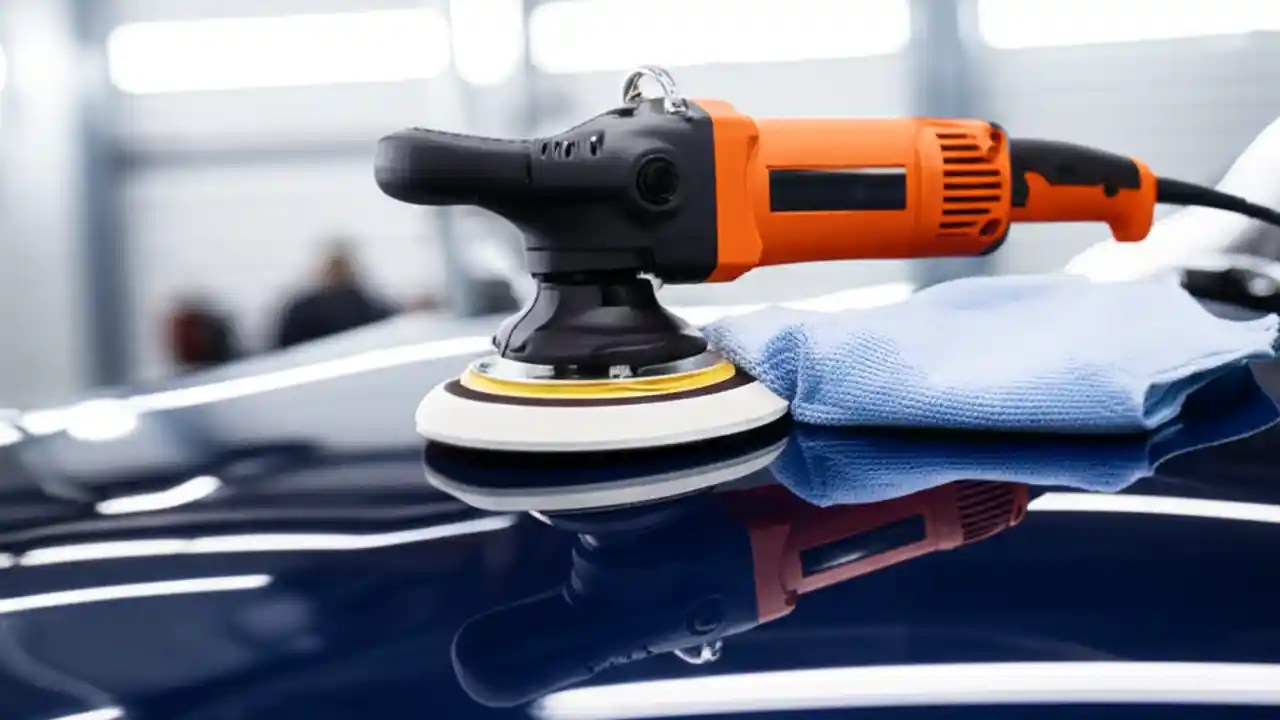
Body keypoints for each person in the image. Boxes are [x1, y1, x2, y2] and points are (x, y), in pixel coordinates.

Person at [276, 243, 395, 348]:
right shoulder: (301, 311)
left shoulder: (363, 306)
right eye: (332, 269)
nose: (335, 274)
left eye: (339, 269)